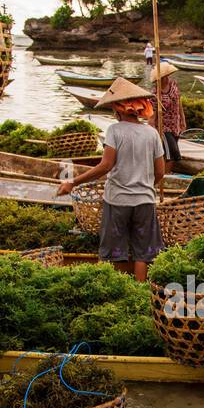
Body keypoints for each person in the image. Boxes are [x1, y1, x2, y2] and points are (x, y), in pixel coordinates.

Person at [56, 77, 164, 282]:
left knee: (115, 253)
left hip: (117, 201)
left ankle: (118, 292)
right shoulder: (152, 133)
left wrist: (73, 182)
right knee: (143, 254)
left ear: (119, 109)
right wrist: (144, 186)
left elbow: (105, 166)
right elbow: (160, 173)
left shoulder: (114, 131)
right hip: (145, 201)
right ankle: (140, 293)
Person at [151, 62, 184, 174]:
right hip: (163, 127)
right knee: (173, 153)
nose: (167, 78)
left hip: (175, 125)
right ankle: (164, 176)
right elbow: (152, 117)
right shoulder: (155, 94)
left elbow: (179, 103)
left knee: (167, 153)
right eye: (164, 77)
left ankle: (165, 174)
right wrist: (154, 132)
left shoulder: (173, 84)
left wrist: (182, 120)